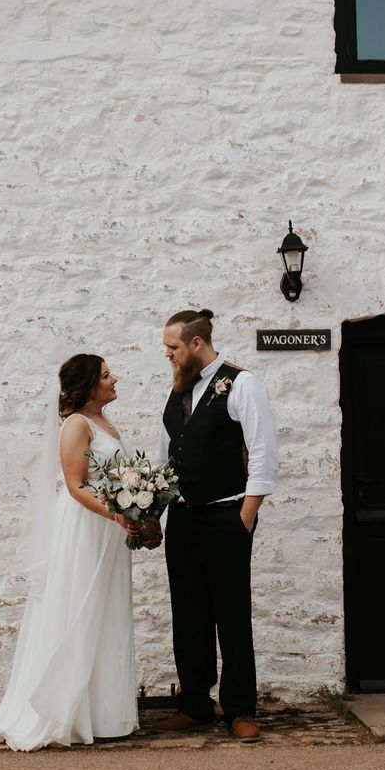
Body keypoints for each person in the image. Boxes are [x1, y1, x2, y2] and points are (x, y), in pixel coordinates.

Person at [0, 354, 141, 750]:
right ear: (87, 385)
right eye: (105, 375)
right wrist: (118, 515)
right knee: (78, 607)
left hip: (108, 529)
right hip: (85, 527)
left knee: (106, 610)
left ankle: (102, 712)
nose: (114, 379)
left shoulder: (105, 423)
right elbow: (75, 485)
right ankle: (64, 711)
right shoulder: (76, 425)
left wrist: (136, 512)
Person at [152, 309, 278, 743]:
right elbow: (167, 459)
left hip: (227, 515)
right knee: (188, 613)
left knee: (232, 614)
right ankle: (195, 705)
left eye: (173, 347)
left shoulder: (242, 383)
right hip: (183, 518)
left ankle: (240, 708)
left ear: (196, 345)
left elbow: (263, 453)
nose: (167, 354)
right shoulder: (176, 391)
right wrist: (154, 510)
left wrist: (245, 516)